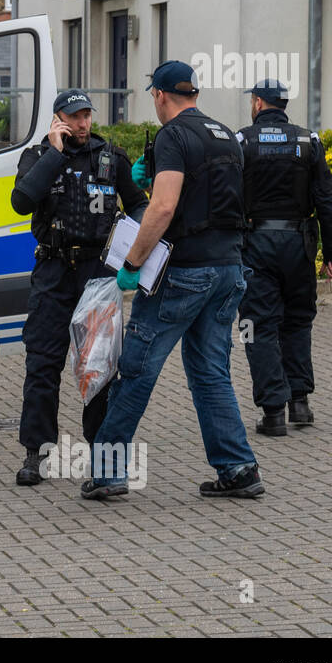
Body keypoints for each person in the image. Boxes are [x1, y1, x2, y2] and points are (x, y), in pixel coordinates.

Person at [82, 60, 263, 500]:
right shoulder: (226, 136)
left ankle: (108, 473)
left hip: (183, 275)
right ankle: (238, 469)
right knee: (210, 371)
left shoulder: (173, 136)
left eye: (153, 97)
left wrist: (131, 263)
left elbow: (163, 208)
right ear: (194, 94)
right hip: (228, 271)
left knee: (136, 369)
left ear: (161, 96)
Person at [9, 90, 148, 486]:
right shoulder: (38, 158)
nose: (84, 124)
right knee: (42, 362)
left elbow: (138, 204)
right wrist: (54, 153)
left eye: (88, 115)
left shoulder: (111, 157)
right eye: (75, 116)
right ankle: (37, 452)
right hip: (52, 271)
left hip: (97, 273)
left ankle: (102, 456)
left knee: (99, 367)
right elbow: (21, 201)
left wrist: (129, 243)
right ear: (59, 120)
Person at [237, 78, 332, 435]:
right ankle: (299, 403)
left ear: (257, 104)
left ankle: (273, 413)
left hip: (257, 245)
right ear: (283, 106)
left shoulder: (243, 142)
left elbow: (228, 197)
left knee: (259, 325)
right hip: (299, 245)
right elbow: (327, 201)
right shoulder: (307, 141)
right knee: (297, 321)